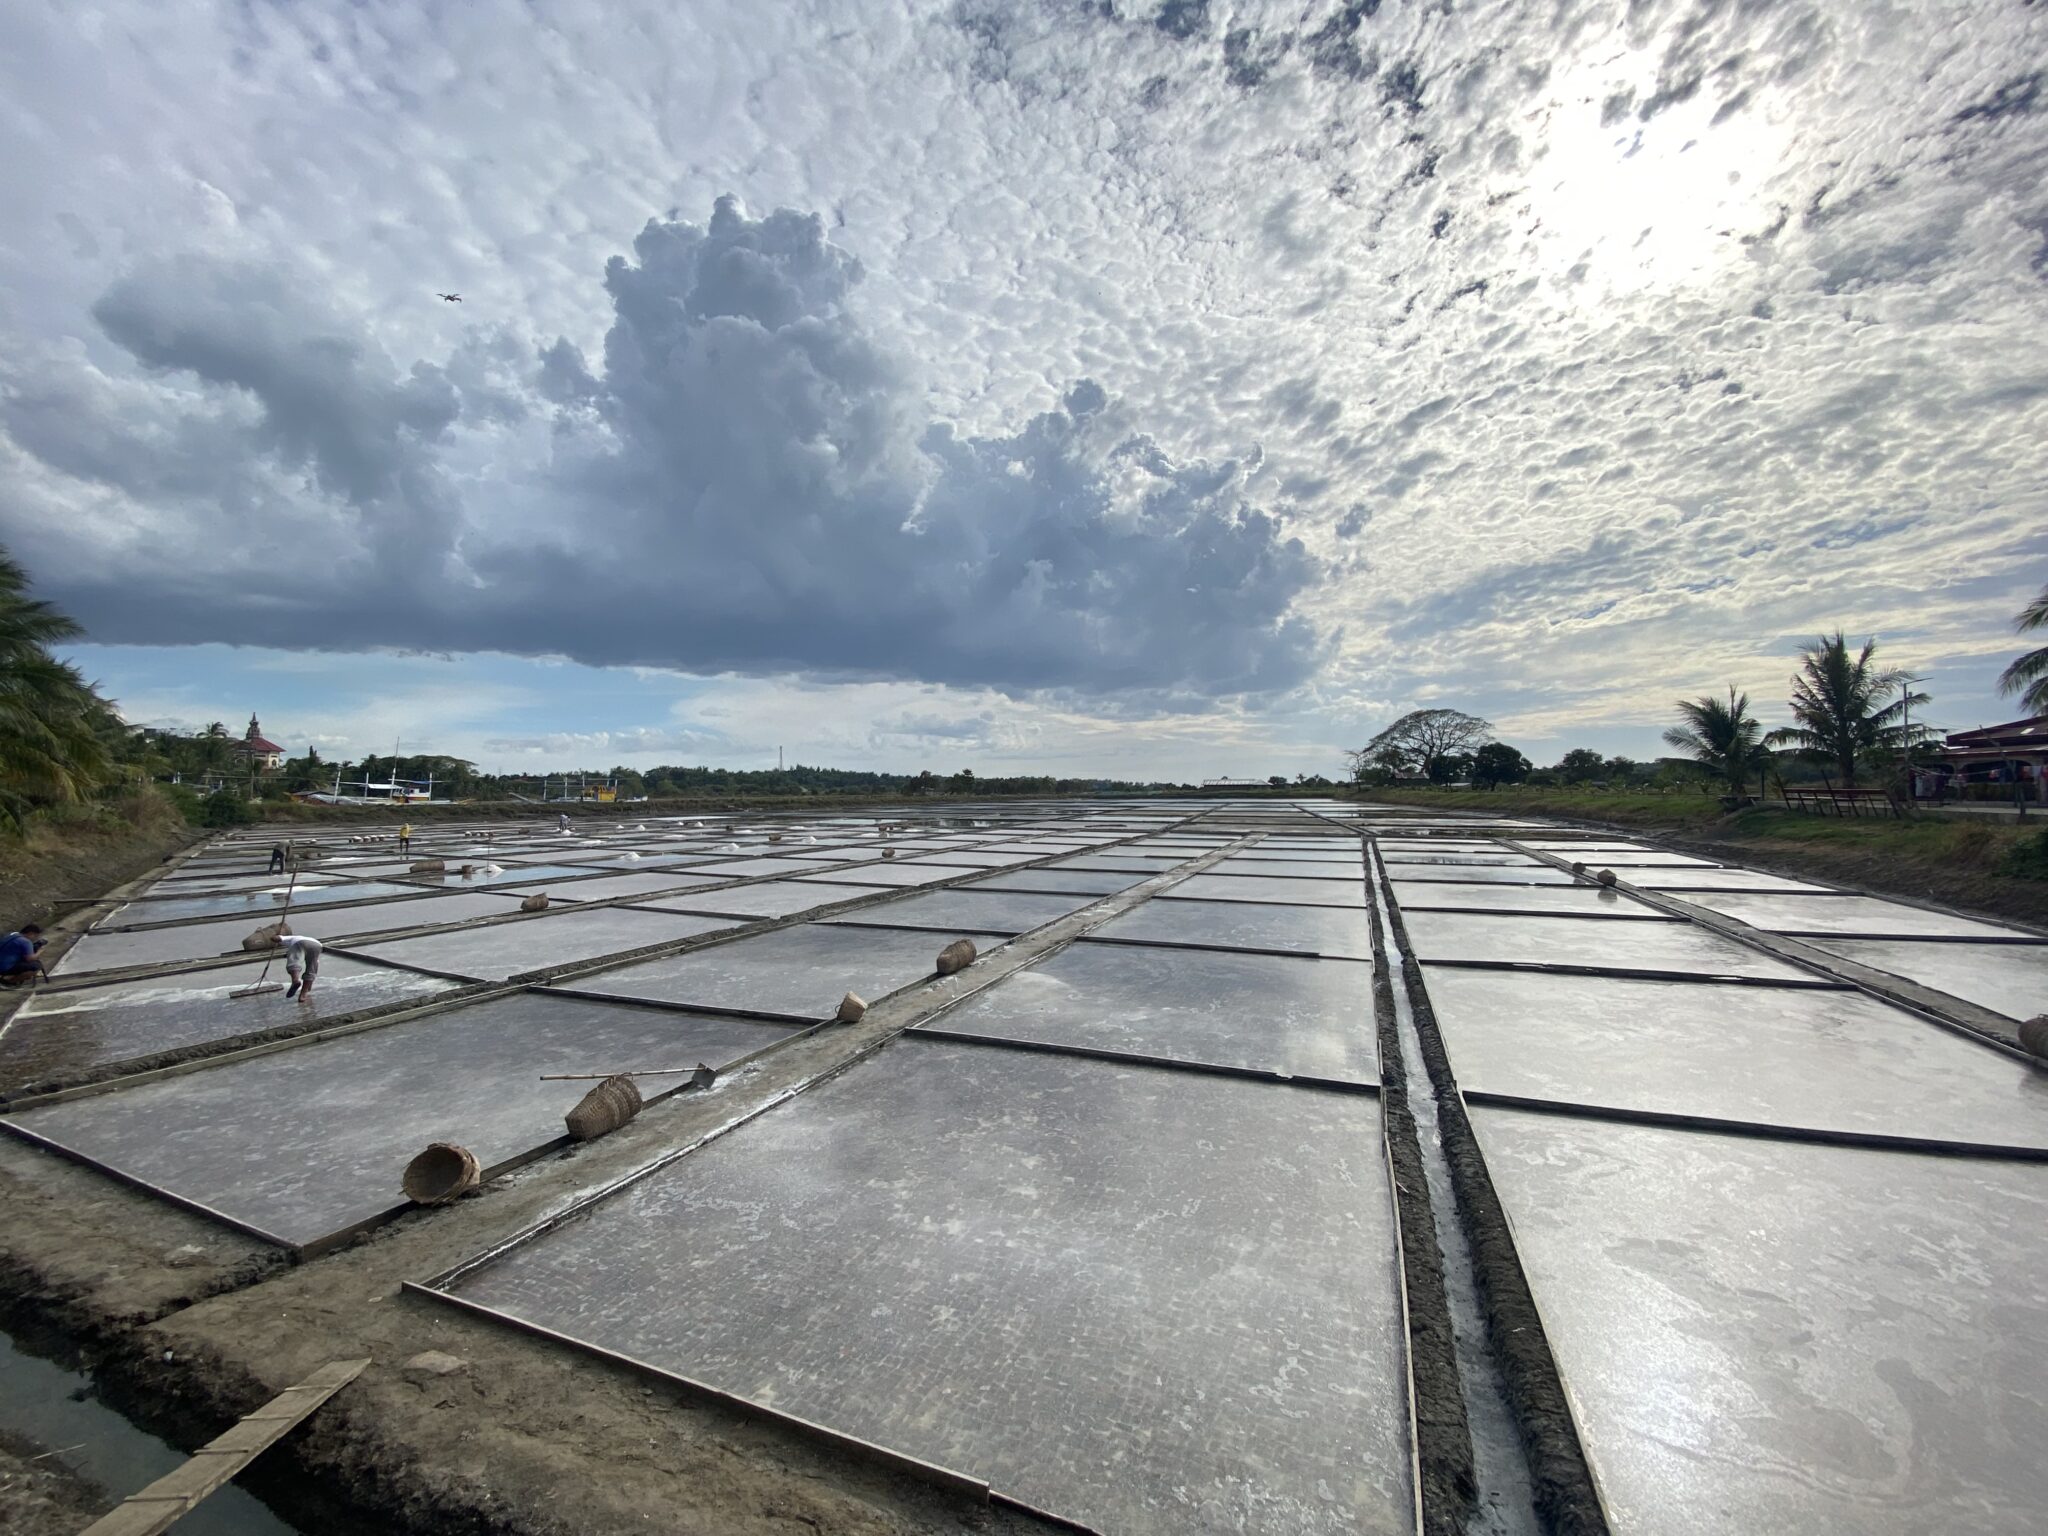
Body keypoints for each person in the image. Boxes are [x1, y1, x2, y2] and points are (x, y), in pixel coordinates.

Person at [276, 932, 323, 1000]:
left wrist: (275, 936)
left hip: (300, 943)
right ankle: (303, 994)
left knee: (294, 961)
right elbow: (316, 964)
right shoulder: (309, 939)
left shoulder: (292, 938)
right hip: (317, 945)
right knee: (311, 969)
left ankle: (295, 980)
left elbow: (277, 938)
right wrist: (309, 986)